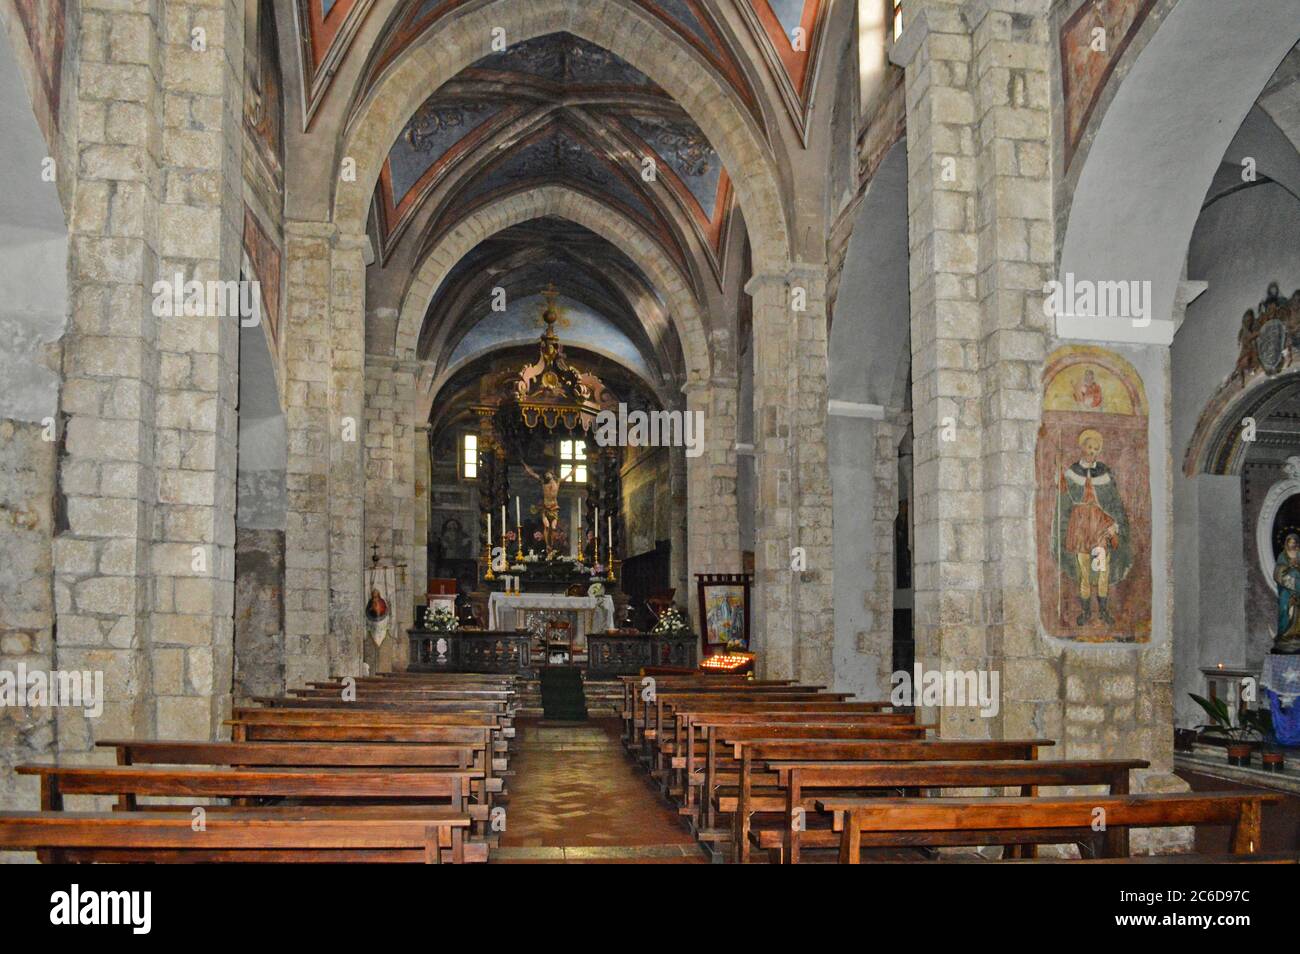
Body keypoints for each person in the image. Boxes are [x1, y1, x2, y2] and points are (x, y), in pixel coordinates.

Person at [1054, 428, 1131, 626]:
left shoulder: (1104, 472)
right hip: (1080, 529)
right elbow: (1064, 503)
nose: (1092, 452)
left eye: (1096, 449)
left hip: (1099, 529)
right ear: (1082, 447)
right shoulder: (1072, 472)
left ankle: (1103, 611)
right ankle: (1086, 612)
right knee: (1084, 573)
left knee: (1102, 570)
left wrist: (1115, 525)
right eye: (1089, 447)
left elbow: (1114, 502)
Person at [522, 459, 575, 556]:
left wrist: (574, 469)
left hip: (554, 508)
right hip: (546, 508)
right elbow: (533, 474)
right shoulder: (543, 482)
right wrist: (525, 466)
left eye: (548, 473)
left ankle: (551, 545)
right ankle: (548, 546)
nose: (547, 475)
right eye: (546, 474)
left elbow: (567, 476)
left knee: (553, 527)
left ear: (552, 474)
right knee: (546, 526)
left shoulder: (557, 481)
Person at [1273, 532, 1300, 652]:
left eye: (1294, 542)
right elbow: (1277, 572)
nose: (1292, 544)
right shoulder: (1282, 556)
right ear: (1286, 543)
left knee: (1297, 612)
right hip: (1285, 589)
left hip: (1298, 589)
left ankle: (1296, 636)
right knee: (1284, 608)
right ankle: (1283, 636)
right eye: (1290, 541)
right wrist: (1289, 567)